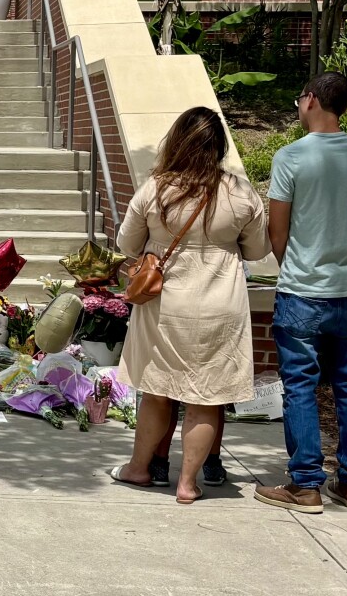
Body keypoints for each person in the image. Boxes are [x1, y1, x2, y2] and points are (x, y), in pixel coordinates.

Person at [108, 107, 270, 504]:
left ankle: (140, 467)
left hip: (164, 305)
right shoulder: (240, 192)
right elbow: (257, 248)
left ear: (177, 141)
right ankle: (188, 483)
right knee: (205, 398)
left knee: (157, 391)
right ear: (219, 148)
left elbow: (126, 246)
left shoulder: (156, 189)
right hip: (221, 304)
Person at [256, 71, 347, 514]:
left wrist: (293, 262)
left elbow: (277, 230)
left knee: (301, 388)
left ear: (310, 99)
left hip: (302, 289)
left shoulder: (290, 156)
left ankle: (306, 484)